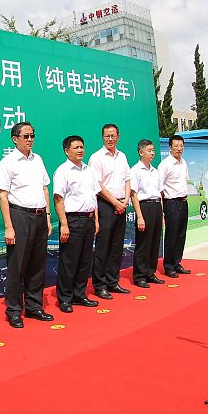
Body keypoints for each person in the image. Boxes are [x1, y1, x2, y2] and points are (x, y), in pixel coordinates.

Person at [0, 121, 55, 327]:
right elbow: (3, 195)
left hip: (39, 216)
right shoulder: (8, 162)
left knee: (37, 264)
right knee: (17, 265)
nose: (30, 140)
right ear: (15, 139)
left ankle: (34, 306)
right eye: (25, 136)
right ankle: (13, 310)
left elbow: (45, 189)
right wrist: (9, 226)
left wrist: (48, 215)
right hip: (19, 215)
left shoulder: (38, 159)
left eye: (32, 135)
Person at [52, 135, 99, 312]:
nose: (80, 150)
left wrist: (95, 220)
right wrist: (64, 224)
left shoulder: (89, 170)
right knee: (69, 261)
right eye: (76, 148)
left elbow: (94, 196)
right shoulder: (63, 171)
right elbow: (58, 199)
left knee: (85, 260)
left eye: (82, 147)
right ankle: (65, 298)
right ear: (66, 151)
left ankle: (79, 295)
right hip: (72, 220)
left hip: (88, 219)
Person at [89, 123, 132, 299]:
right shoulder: (96, 158)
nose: (110, 139)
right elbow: (97, 185)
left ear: (118, 136)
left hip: (122, 205)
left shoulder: (122, 157)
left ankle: (113, 281)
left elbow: (128, 179)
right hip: (106, 205)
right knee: (103, 247)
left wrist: (126, 200)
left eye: (113, 135)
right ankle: (99, 285)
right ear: (102, 137)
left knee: (116, 246)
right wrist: (115, 202)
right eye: (107, 136)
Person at [130, 139, 163, 288]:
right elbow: (134, 194)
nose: (152, 153)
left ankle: (150, 272)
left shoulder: (155, 171)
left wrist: (162, 214)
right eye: (149, 150)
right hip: (144, 207)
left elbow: (160, 193)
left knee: (155, 242)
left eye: (153, 150)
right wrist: (140, 216)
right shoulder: (135, 170)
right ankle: (140, 276)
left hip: (156, 206)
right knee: (144, 243)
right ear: (141, 152)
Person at [158, 135, 192, 277]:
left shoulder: (183, 162)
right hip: (171, 203)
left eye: (181, 146)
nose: (179, 149)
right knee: (171, 235)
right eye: (176, 146)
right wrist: (162, 211)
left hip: (183, 202)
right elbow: (159, 188)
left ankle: (177, 263)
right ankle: (168, 266)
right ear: (170, 147)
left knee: (181, 234)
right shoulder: (165, 165)